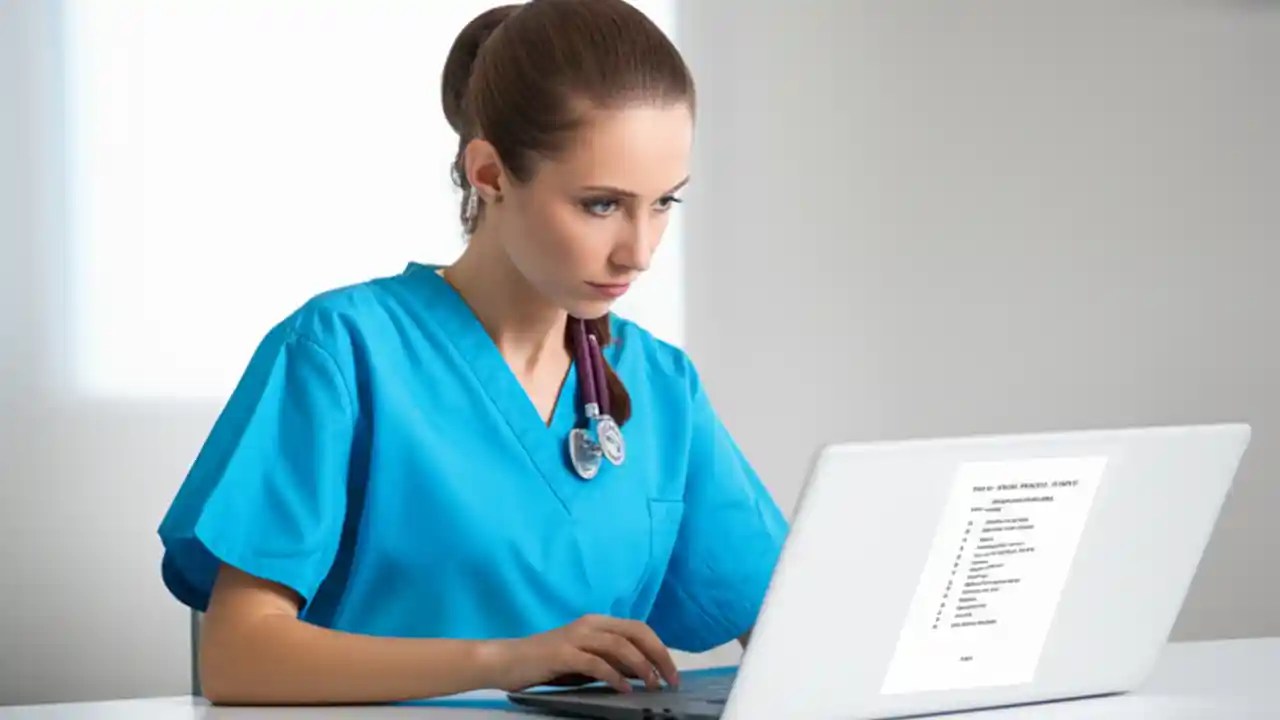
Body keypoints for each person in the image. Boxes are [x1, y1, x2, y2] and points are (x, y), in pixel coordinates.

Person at [157, 0, 787, 706]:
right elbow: (239, 657)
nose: (639, 251)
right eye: (601, 205)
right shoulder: (342, 351)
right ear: (489, 174)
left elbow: (793, 627)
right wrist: (506, 660)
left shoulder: (662, 385)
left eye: (665, 202)